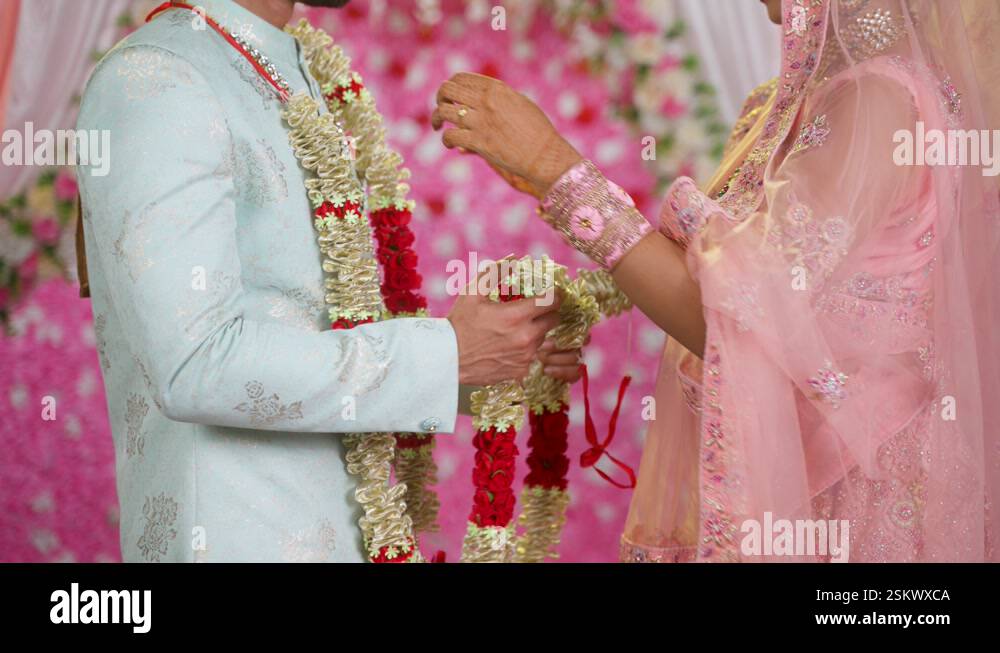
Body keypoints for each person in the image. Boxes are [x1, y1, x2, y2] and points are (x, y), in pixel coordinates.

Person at [434, 0, 1000, 562]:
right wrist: (579, 290)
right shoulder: (792, 101)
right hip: (810, 472)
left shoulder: (878, 104)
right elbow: (722, 278)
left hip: (858, 491)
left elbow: (737, 319)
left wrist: (555, 168)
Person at [75, 0, 581, 562]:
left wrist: (493, 358)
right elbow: (194, 364)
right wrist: (446, 356)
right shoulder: (159, 77)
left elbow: (308, 327)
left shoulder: (284, 59)